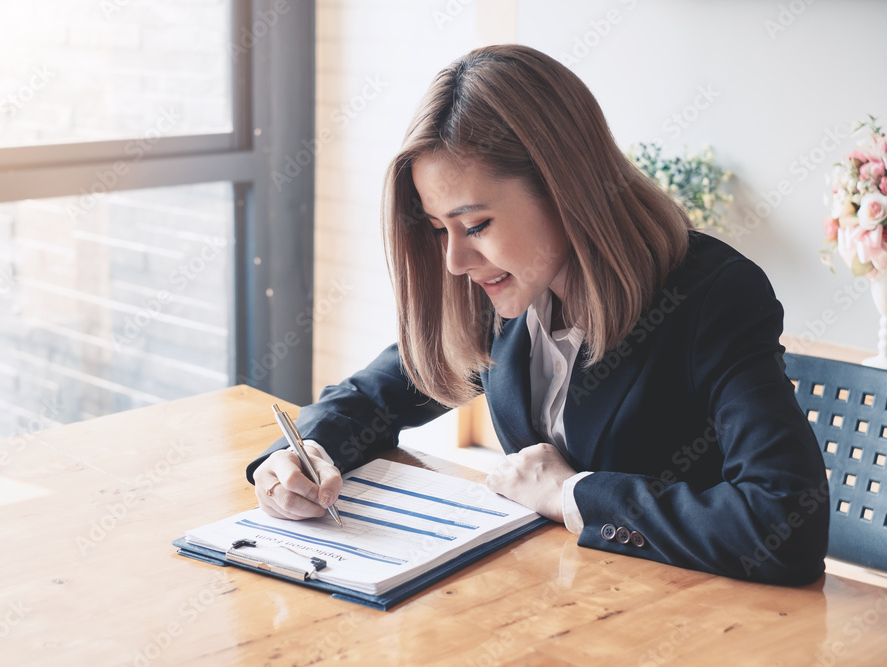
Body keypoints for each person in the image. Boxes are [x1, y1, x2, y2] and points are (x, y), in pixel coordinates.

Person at [245, 44, 829, 585]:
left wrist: (576, 494)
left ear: (564, 188)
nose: (454, 260)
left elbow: (786, 523)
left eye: (475, 226)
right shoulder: (502, 287)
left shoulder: (713, 296)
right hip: (548, 600)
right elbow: (379, 395)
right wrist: (305, 453)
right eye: (439, 229)